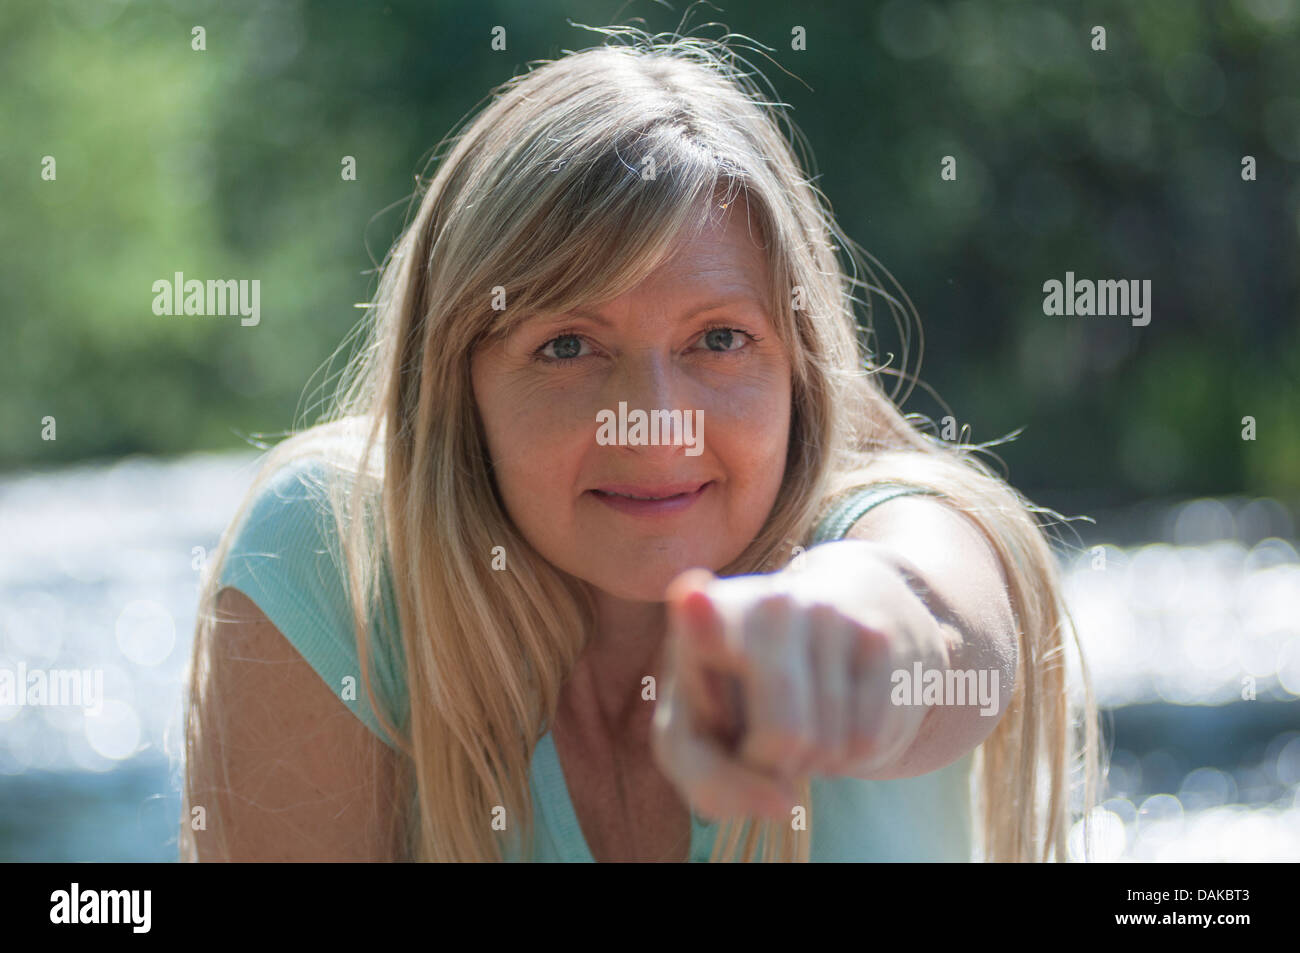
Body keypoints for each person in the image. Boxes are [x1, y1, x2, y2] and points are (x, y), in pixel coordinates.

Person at [181, 30, 1100, 863]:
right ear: (460, 385)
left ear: (799, 364)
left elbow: (933, 624)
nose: (655, 419)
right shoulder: (333, 562)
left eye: (719, 339)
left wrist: (826, 645)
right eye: (569, 347)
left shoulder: (898, 522)